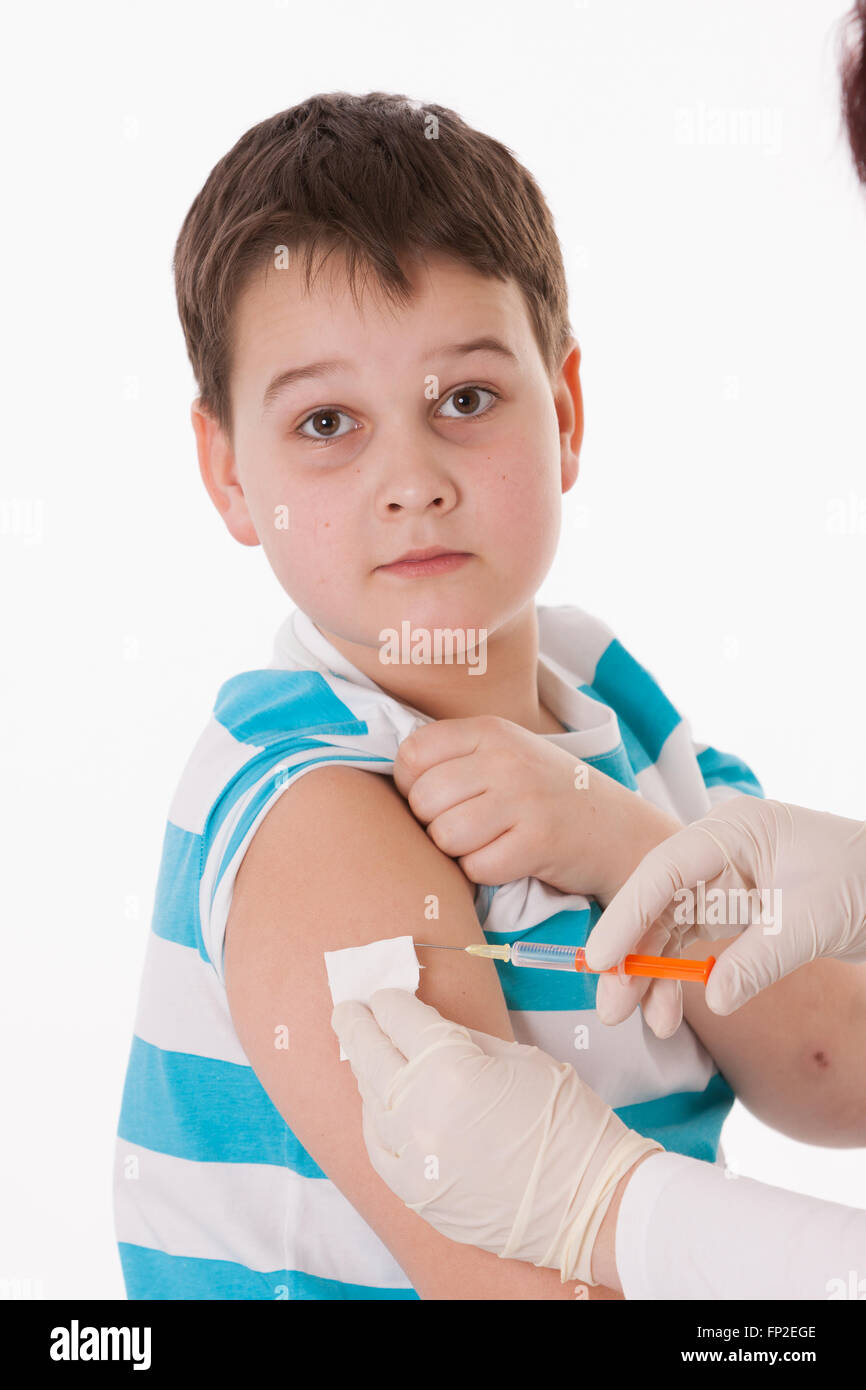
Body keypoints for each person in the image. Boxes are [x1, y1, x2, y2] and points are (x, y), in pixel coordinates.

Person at [330, 3, 866, 1299]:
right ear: (225, 471)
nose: (411, 479)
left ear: (563, 408)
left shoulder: (627, 721)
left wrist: (600, 1214)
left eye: (466, 398)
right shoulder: (309, 783)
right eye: (330, 420)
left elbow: (832, 1068)